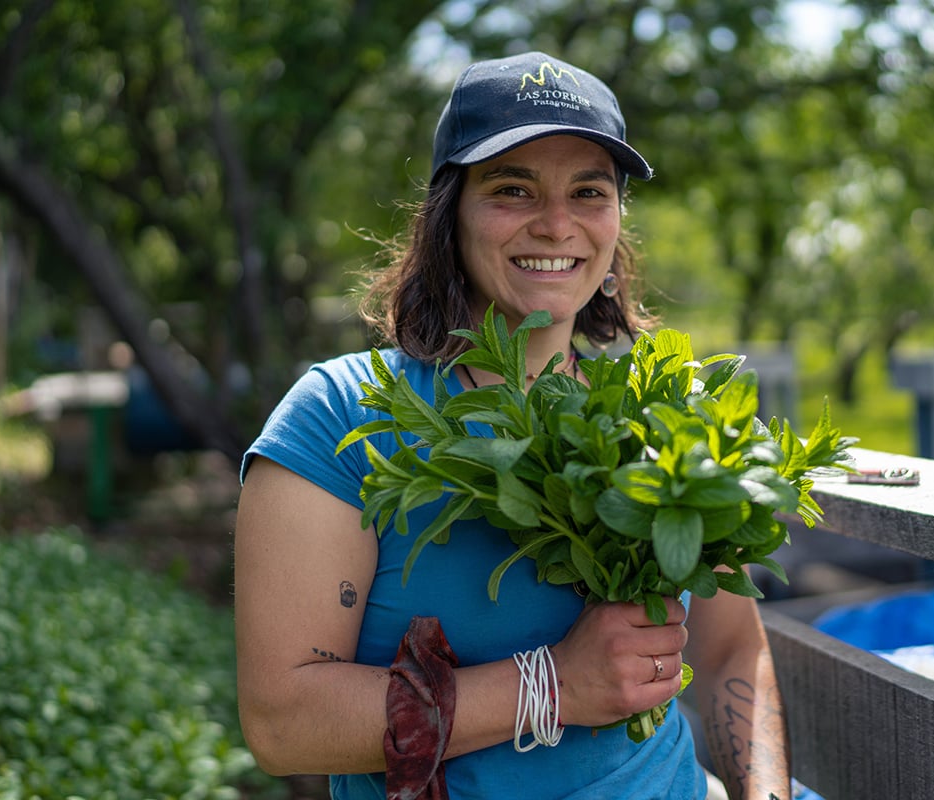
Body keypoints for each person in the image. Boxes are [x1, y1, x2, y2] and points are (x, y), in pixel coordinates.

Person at [234, 50, 791, 800]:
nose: (556, 224)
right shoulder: (344, 416)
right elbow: (284, 723)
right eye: (512, 188)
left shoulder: (664, 417)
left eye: (589, 191)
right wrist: (554, 684)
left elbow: (730, 651)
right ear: (449, 215)